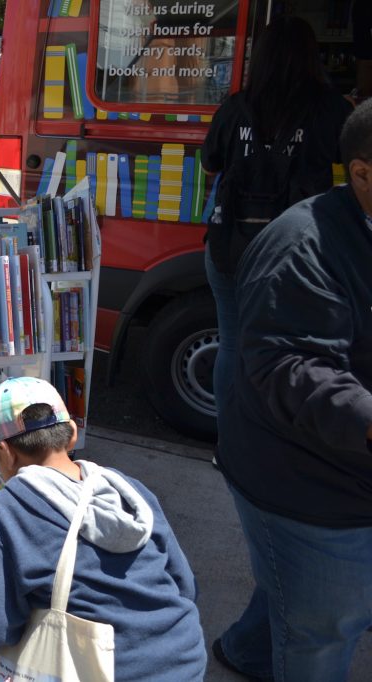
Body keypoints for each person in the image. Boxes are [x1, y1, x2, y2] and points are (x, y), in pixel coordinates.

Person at [213, 100, 372, 682]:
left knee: (302, 596)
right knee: (324, 630)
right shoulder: (303, 247)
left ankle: (247, 651)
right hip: (310, 482)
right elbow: (287, 366)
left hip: (346, 478)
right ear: (361, 173)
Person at [0, 377, 206, 681]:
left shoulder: (5, 511)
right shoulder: (130, 490)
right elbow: (185, 585)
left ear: (6, 452)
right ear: (72, 434)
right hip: (184, 654)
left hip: (106, 670)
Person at [201, 16, 352, 420]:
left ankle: (228, 439)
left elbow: (209, 163)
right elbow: (352, 160)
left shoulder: (235, 106)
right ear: (311, 57)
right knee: (294, 350)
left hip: (231, 245)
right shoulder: (333, 109)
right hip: (299, 253)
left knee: (232, 343)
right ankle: (272, 440)